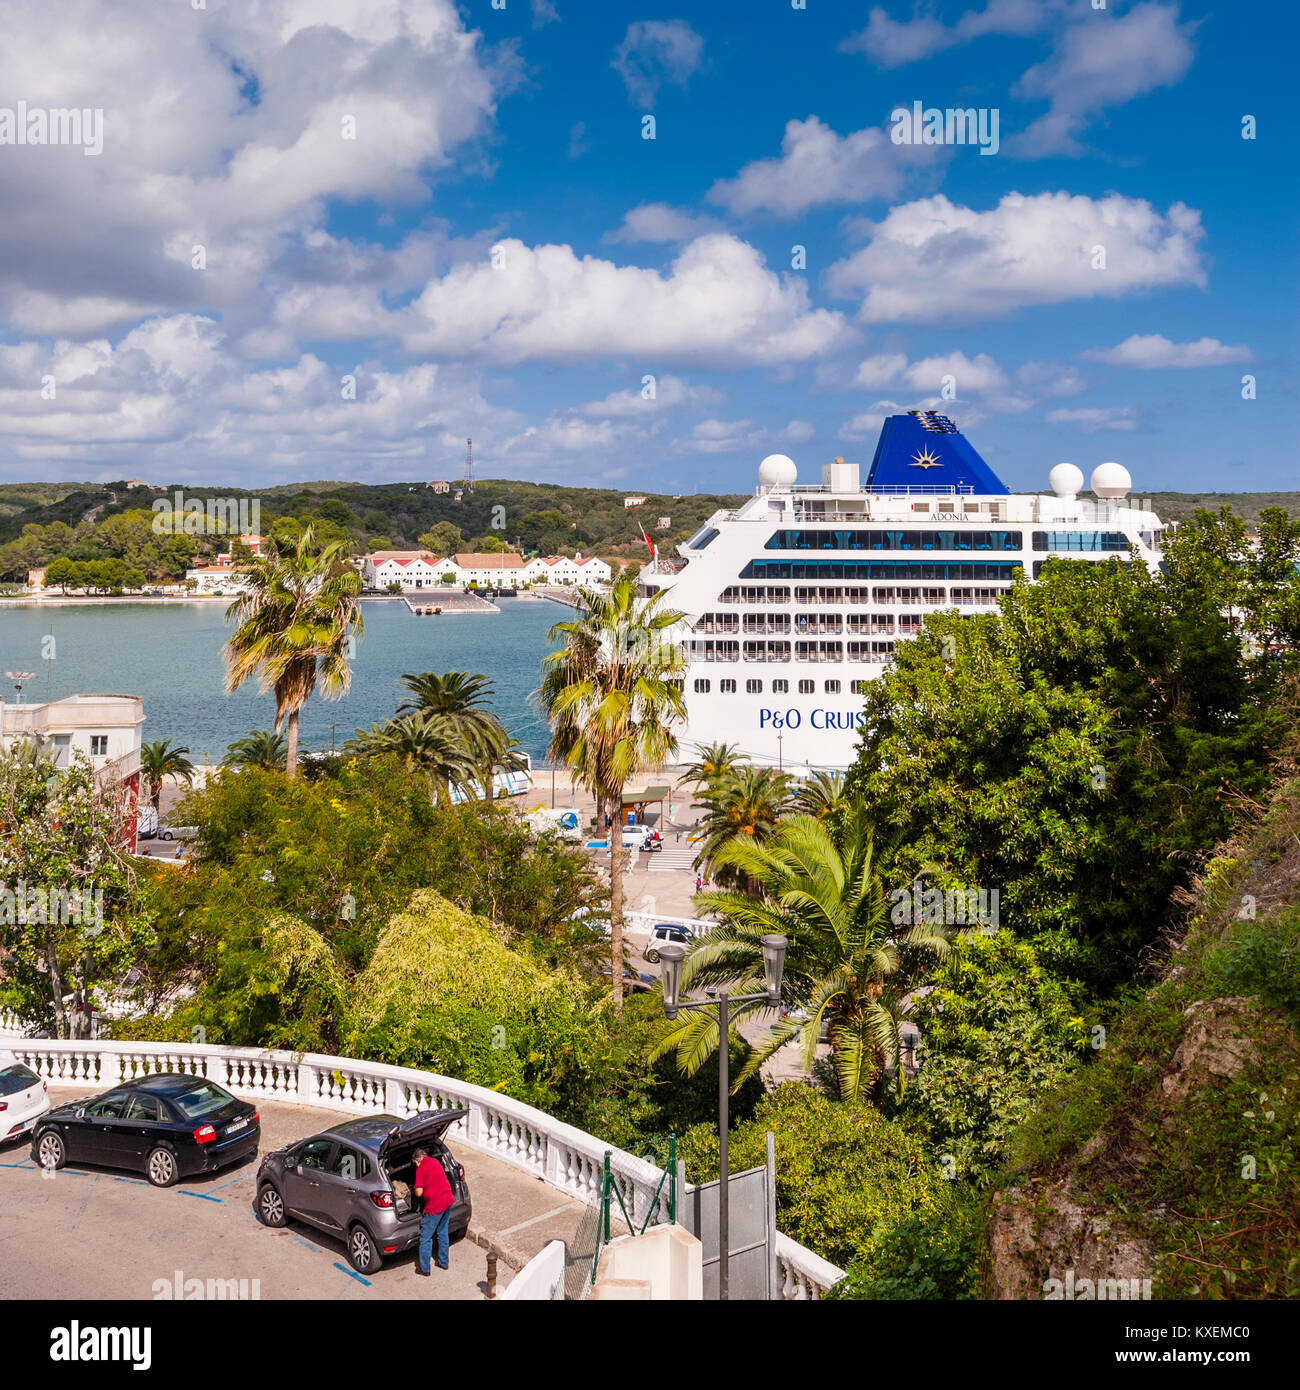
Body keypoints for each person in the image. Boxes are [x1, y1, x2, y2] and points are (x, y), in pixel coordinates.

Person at [413, 1145, 455, 1275]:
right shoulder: (435, 1161)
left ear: (417, 1160)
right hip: (447, 1200)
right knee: (442, 1232)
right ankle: (443, 1262)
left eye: (415, 1164)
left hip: (435, 1206)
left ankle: (424, 1269)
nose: (416, 1166)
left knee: (425, 1238)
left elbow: (419, 1193)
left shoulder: (420, 1169)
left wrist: (414, 1187)